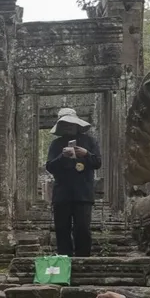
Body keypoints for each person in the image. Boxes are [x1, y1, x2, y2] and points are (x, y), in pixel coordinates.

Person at [44, 107, 101, 256]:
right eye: (64, 124)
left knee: (82, 229)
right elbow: (50, 167)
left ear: (77, 124)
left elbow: (97, 162)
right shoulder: (56, 145)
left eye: (70, 123)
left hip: (83, 194)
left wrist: (86, 154)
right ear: (60, 127)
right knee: (62, 229)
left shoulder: (90, 141)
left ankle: (83, 261)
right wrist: (62, 157)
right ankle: (64, 261)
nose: (68, 126)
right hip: (62, 195)